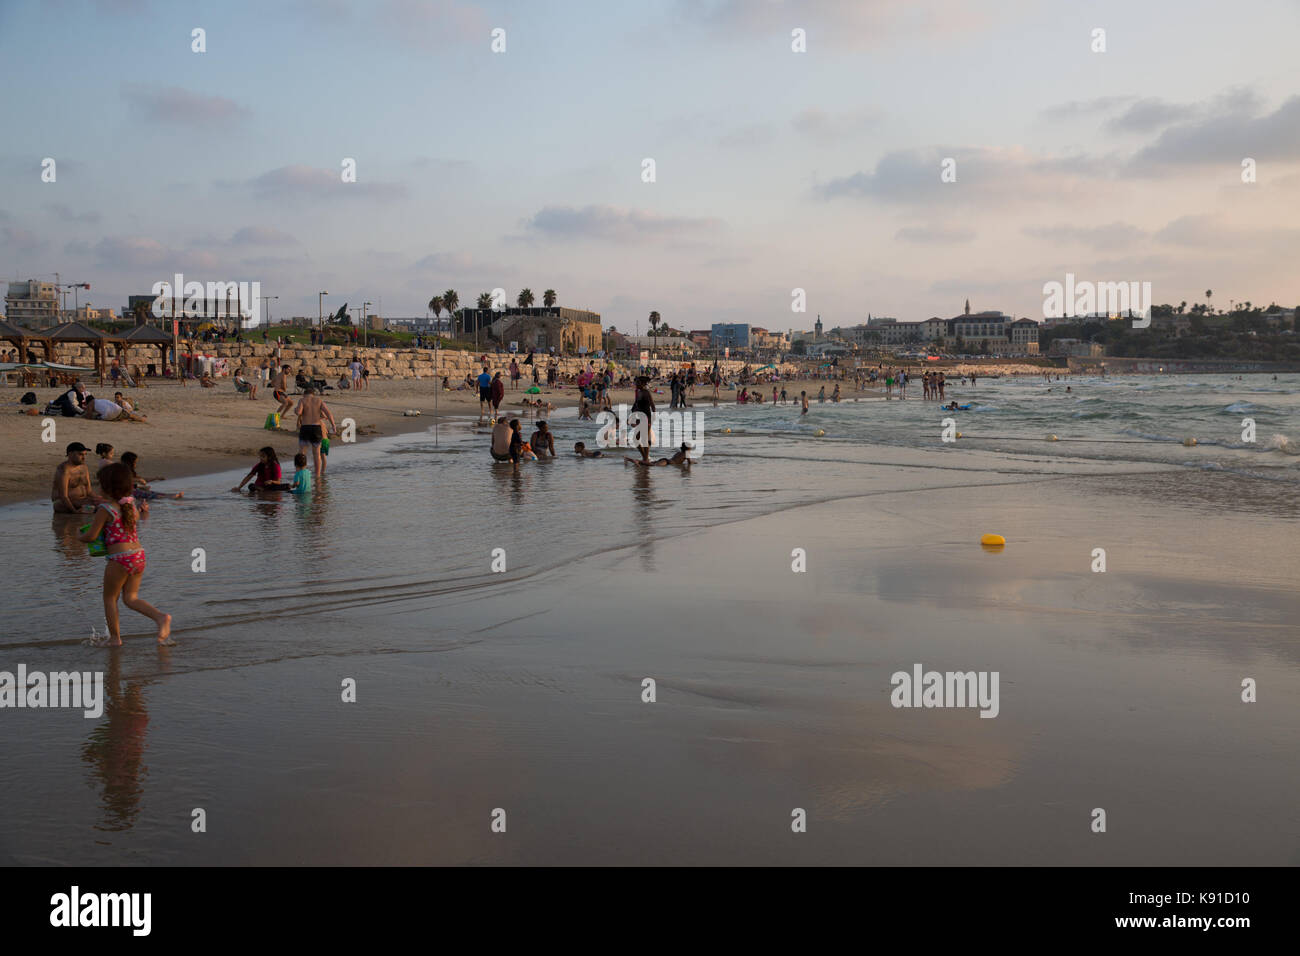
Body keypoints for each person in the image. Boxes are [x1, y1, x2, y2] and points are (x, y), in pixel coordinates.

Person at [77, 463, 171, 647]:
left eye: (100, 484)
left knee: (110, 598)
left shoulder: (106, 510)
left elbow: (91, 536)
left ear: (107, 488)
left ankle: (115, 638)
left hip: (119, 559)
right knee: (131, 598)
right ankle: (160, 617)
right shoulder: (131, 506)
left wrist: (78, 536)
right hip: (138, 555)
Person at [294, 387, 337, 476]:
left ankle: (300, 473)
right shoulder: (319, 400)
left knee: (302, 453)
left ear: (304, 394)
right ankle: (317, 476)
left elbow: (298, 412)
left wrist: (295, 409)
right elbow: (328, 414)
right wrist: (333, 425)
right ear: (313, 394)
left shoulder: (302, 400)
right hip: (316, 428)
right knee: (317, 454)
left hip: (305, 427)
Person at [52, 442, 100, 513]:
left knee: (104, 504)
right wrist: (74, 511)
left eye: (85, 454)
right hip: (64, 503)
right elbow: (63, 496)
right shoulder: (64, 470)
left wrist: (99, 499)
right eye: (80, 454)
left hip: (82, 501)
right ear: (70, 454)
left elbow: (89, 491)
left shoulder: (84, 467)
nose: (83, 458)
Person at [631, 375, 655, 464]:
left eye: (637, 382)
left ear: (643, 384)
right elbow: (636, 404)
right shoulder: (638, 392)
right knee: (635, 439)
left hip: (646, 418)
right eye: (635, 382)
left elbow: (652, 405)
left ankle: (645, 459)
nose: (636, 384)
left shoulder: (646, 393)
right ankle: (645, 457)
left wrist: (653, 417)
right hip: (640, 417)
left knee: (644, 438)